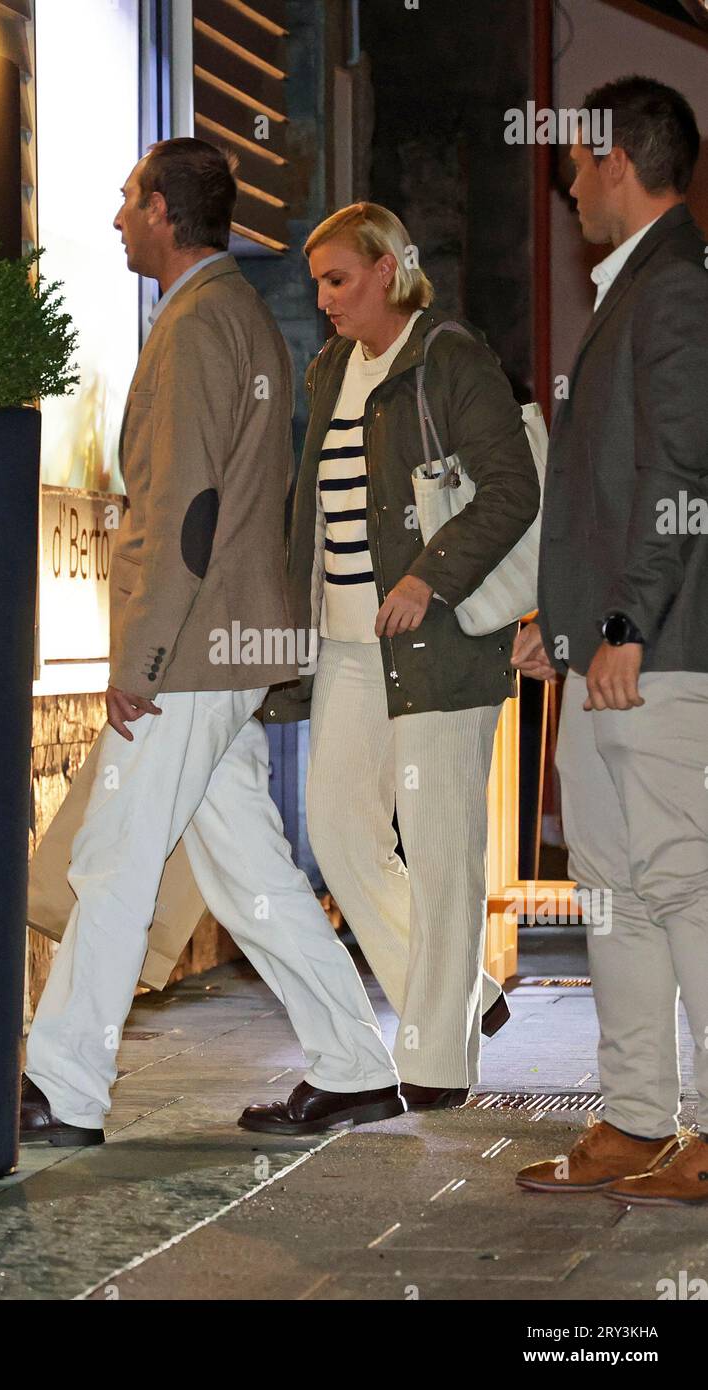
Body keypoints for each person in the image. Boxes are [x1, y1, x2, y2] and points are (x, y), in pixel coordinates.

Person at [21, 138, 406, 1145]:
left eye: (124, 201)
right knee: (249, 874)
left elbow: (182, 514)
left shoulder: (195, 327)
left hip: (188, 651)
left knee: (112, 856)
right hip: (227, 646)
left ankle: (64, 1084)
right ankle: (356, 1065)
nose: (114, 219)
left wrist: (138, 661)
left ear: (160, 210)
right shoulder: (242, 317)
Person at [264, 203, 540, 1107]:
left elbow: (513, 488)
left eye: (338, 278)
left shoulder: (448, 357)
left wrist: (431, 577)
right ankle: (468, 992)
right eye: (316, 282)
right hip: (346, 644)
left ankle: (437, 1064)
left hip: (441, 641)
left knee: (441, 848)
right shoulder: (331, 369)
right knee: (341, 834)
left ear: (388, 270)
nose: (324, 298)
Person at [514, 77, 708, 1205]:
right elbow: (609, 489)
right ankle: (638, 1120)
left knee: (682, 883)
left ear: (619, 162)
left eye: (578, 161)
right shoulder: (636, 286)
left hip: (662, 648)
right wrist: (569, 624)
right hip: (612, 648)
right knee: (614, 887)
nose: (567, 181)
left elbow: (684, 477)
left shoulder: (674, 286)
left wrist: (626, 620)